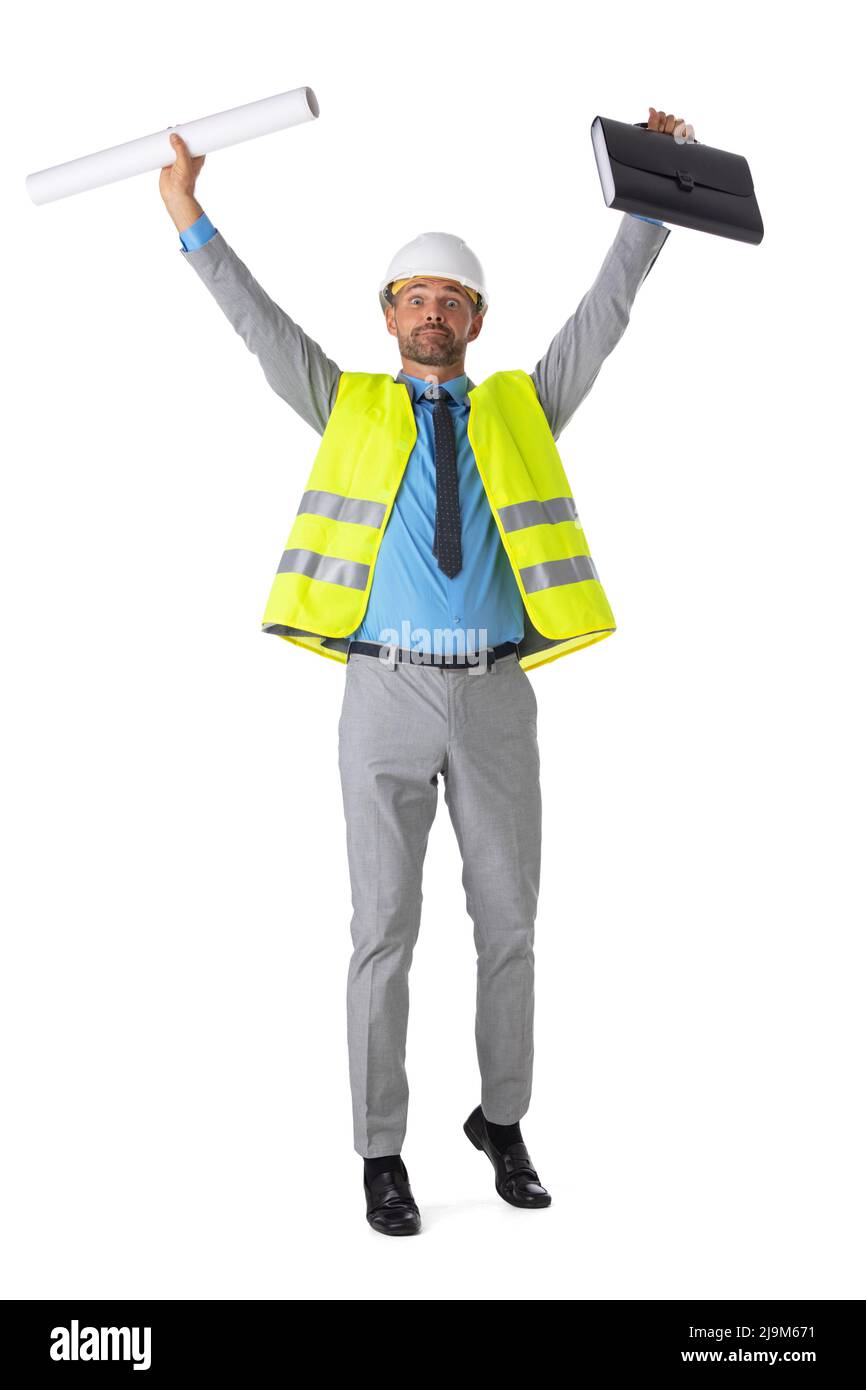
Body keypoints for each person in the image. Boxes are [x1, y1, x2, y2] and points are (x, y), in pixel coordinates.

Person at [160, 106, 694, 1237]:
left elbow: (603, 319)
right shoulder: (342, 401)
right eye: (415, 296)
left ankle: (501, 1122)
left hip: (495, 691)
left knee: (508, 923)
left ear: (477, 319)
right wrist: (189, 219)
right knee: (381, 928)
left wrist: (656, 193)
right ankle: (380, 1152)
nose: (433, 311)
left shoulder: (520, 408)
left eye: (452, 299)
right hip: (382, 694)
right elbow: (257, 327)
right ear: (389, 314)